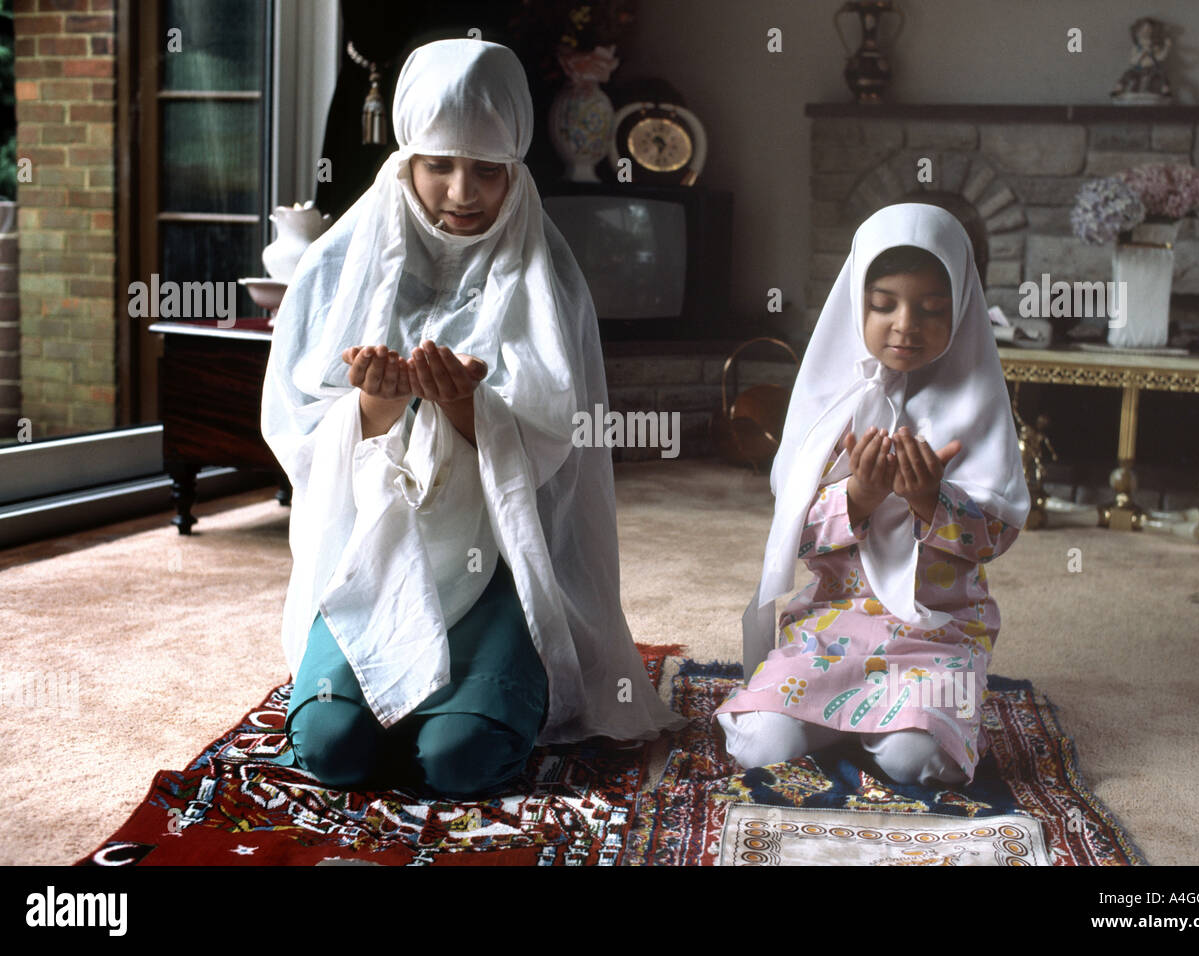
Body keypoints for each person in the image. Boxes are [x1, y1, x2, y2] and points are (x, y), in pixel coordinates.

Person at [260, 38, 685, 800]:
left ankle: (458, 707)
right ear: (405, 161)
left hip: (493, 566)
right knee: (330, 750)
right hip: (372, 554)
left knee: (465, 761)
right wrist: (375, 407)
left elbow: (559, 438)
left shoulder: (544, 274)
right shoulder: (332, 267)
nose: (463, 191)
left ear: (515, 171)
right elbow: (294, 423)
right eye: (440, 164)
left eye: (488, 170)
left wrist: (466, 412)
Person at [717, 203, 1031, 787]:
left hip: (935, 630)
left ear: (961, 306)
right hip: (835, 623)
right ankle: (848, 719)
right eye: (884, 304)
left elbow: (997, 537)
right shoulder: (830, 402)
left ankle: (899, 724)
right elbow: (795, 534)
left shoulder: (979, 404)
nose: (905, 324)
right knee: (762, 745)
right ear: (855, 302)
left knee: (919, 762)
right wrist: (858, 496)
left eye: (931, 308)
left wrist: (930, 501)